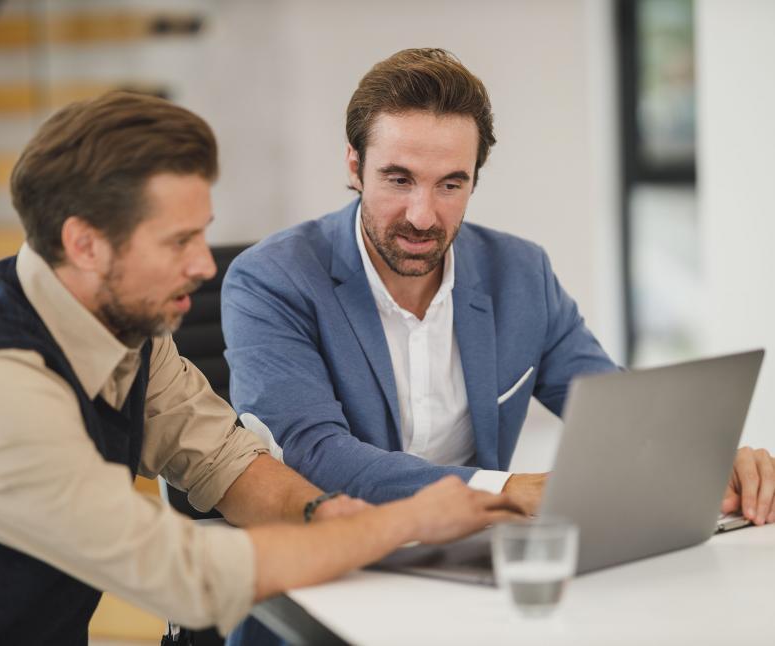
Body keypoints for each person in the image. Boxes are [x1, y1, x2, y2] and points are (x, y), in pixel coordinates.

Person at [0, 91, 523, 645]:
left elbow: (222, 457)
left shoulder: (120, 328)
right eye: (179, 240)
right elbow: (182, 576)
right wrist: (399, 522)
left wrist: (315, 512)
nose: (204, 265)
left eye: (203, 233)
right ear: (86, 243)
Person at [222, 48, 775, 524]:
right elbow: (313, 457)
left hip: (477, 569)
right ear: (354, 165)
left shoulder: (520, 273)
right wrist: (504, 490)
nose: (422, 215)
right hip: (335, 572)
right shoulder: (273, 280)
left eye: (450, 184)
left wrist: (710, 458)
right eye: (398, 179)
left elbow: (616, 414)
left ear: (474, 180)